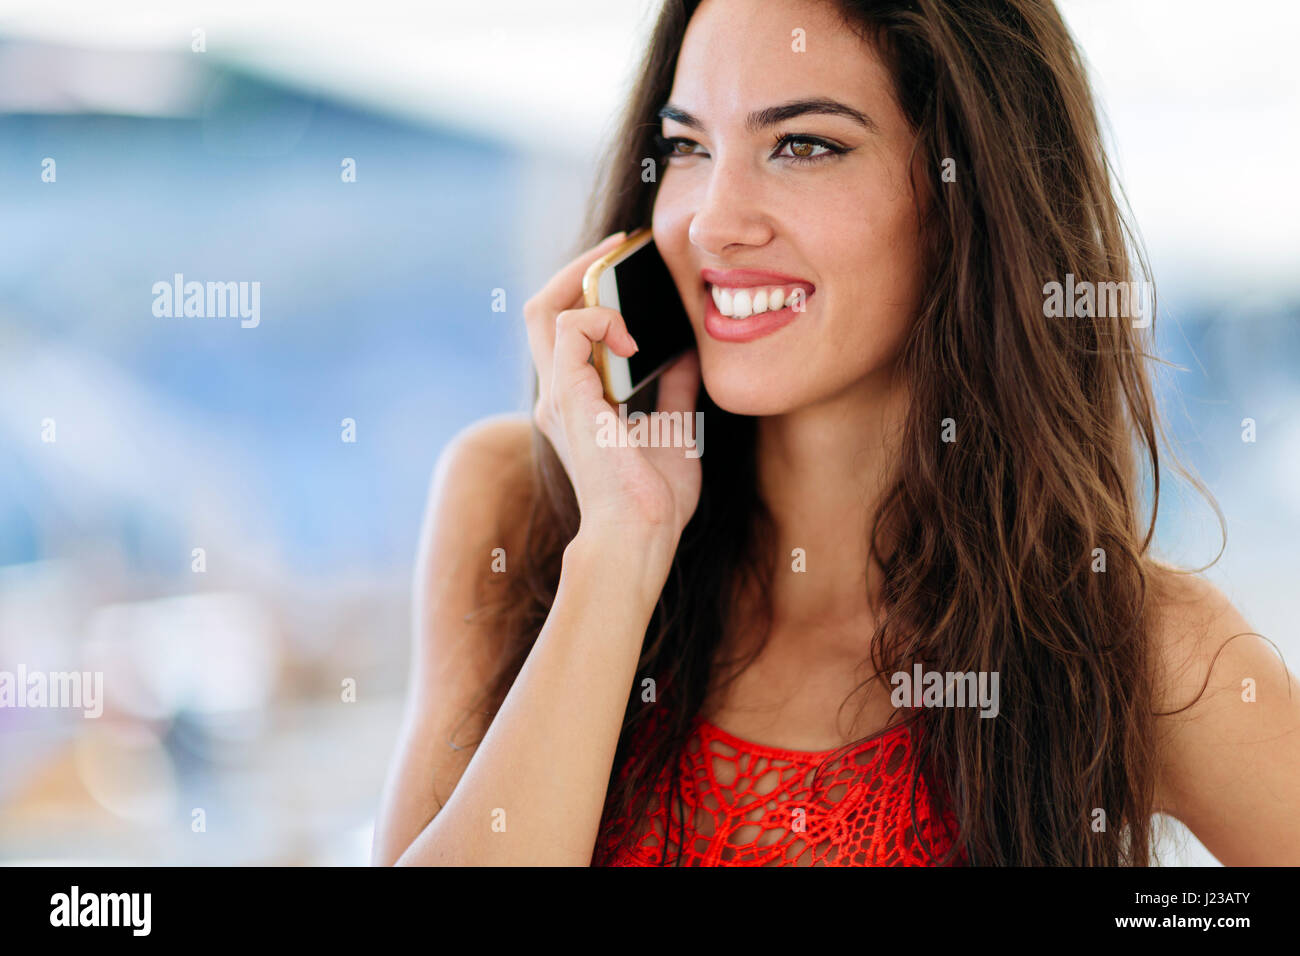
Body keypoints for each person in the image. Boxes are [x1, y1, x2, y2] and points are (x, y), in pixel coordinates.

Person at [373, 0, 1300, 866]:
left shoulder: (1139, 645)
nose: (714, 223)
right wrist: (622, 548)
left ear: (967, 194)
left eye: (803, 145)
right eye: (687, 146)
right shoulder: (514, 509)